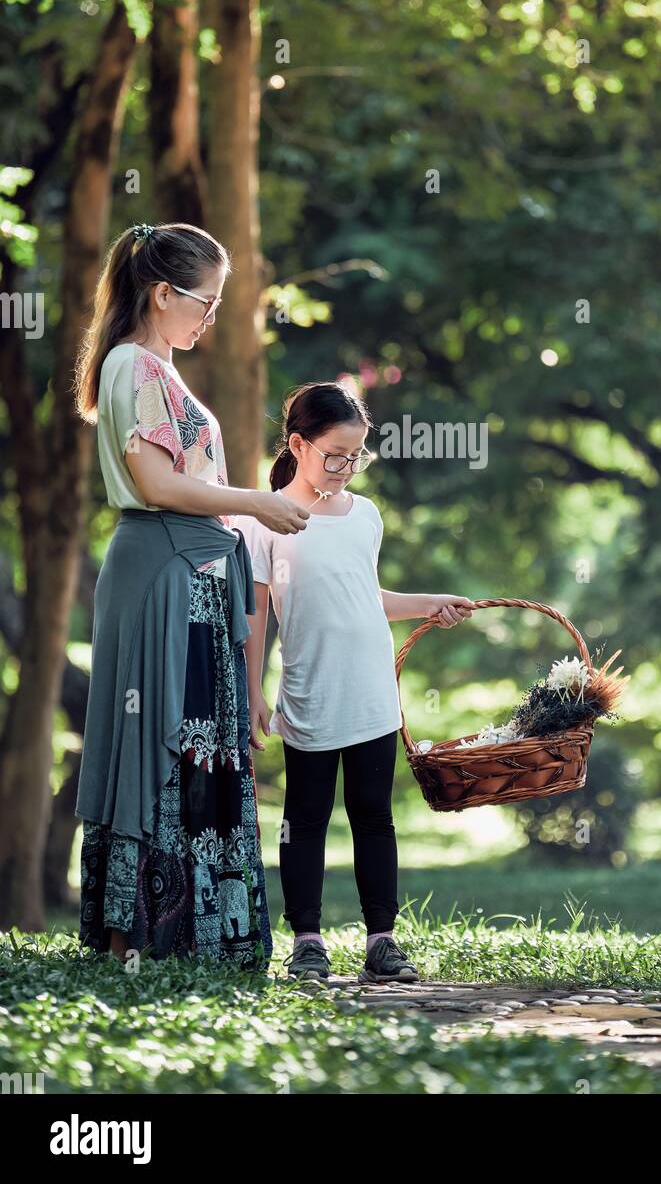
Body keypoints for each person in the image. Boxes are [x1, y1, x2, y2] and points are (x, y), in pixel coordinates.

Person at [73, 221, 309, 966]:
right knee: (157, 746)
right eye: (204, 302)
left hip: (196, 579)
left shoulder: (159, 370)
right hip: (162, 577)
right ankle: (134, 938)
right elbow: (158, 485)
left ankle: (189, 937)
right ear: (161, 292)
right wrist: (257, 503)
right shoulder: (133, 366)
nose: (212, 317)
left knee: (201, 745)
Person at [231, 380, 475, 985]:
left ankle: (382, 940)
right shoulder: (267, 522)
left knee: (374, 816)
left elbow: (368, 598)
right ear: (298, 444)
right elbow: (257, 614)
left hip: (371, 692)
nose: (343, 467)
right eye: (333, 454)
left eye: (354, 456)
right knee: (305, 817)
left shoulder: (365, 515)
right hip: (311, 693)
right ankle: (307, 940)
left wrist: (429, 604)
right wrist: (253, 689)